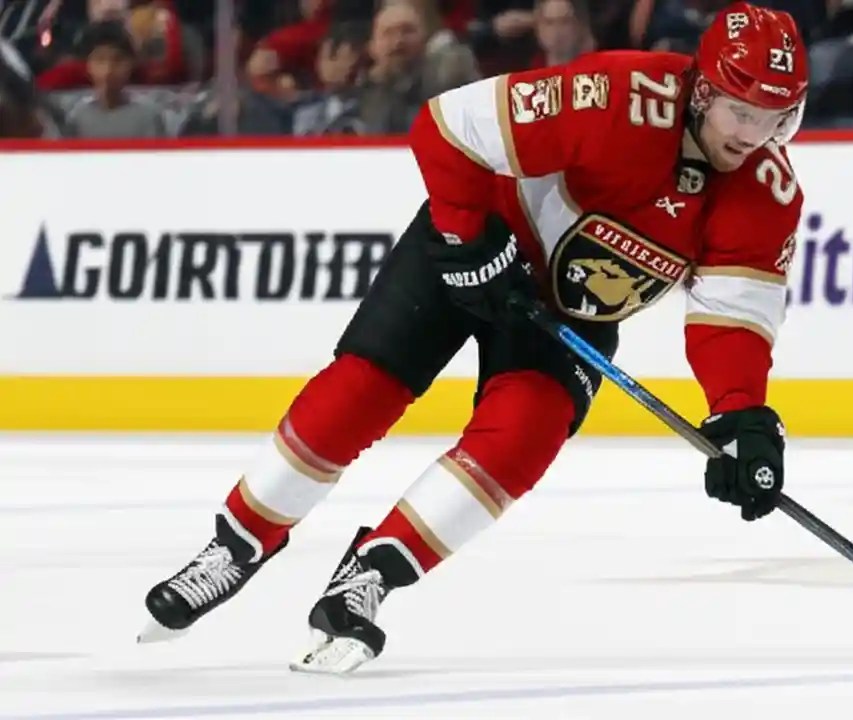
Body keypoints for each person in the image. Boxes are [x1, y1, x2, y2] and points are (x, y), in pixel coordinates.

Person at [138, 1, 807, 675]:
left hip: (569, 314)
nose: (754, 134)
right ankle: (239, 542)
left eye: (774, 117)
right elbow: (447, 127)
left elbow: (734, 318)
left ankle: (373, 574)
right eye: (740, 112)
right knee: (361, 391)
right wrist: (467, 236)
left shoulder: (766, 191)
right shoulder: (617, 96)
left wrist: (740, 415)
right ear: (702, 90)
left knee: (522, 435)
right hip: (480, 233)